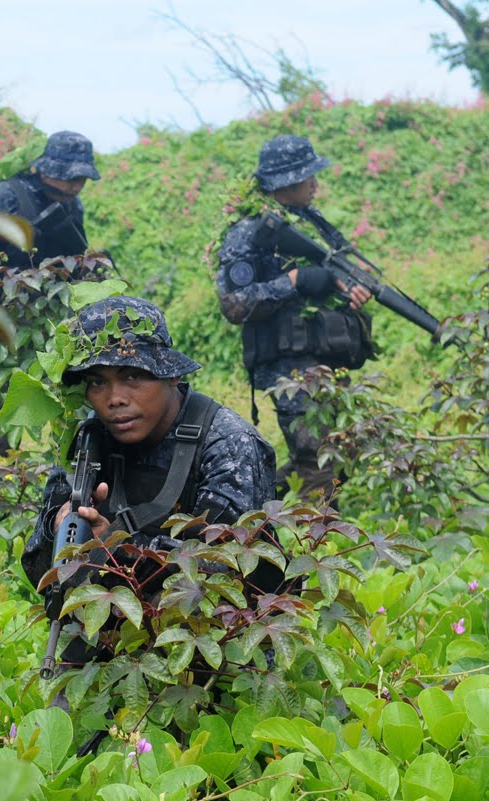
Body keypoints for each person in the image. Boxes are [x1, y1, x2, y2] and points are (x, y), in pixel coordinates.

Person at [21, 296, 277, 669]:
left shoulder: (227, 443)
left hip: (213, 647)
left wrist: (115, 550)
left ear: (171, 374)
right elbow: (41, 573)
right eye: (97, 382)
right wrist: (60, 529)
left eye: (133, 376)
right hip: (111, 644)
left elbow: (223, 575)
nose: (114, 399)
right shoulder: (90, 441)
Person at [216, 135, 373, 501]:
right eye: (308, 177)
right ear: (285, 183)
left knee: (337, 454)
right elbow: (234, 304)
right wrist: (294, 281)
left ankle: (248, 504)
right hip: (287, 367)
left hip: (323, 358)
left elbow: (328, 275)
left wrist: (345, 291)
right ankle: (316, 549)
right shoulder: (248, 232)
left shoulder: (306, 222)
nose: (315, 184)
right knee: (318, 464)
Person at [0, 130, 101, 453]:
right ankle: (1, 467)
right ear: (46, 169)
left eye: (82, 179)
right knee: (2, 406)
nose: (77, 186)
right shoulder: (1, 197)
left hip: (52, 321)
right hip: (2, 320)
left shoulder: (71, 204)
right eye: (71, 177)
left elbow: (75, 260)